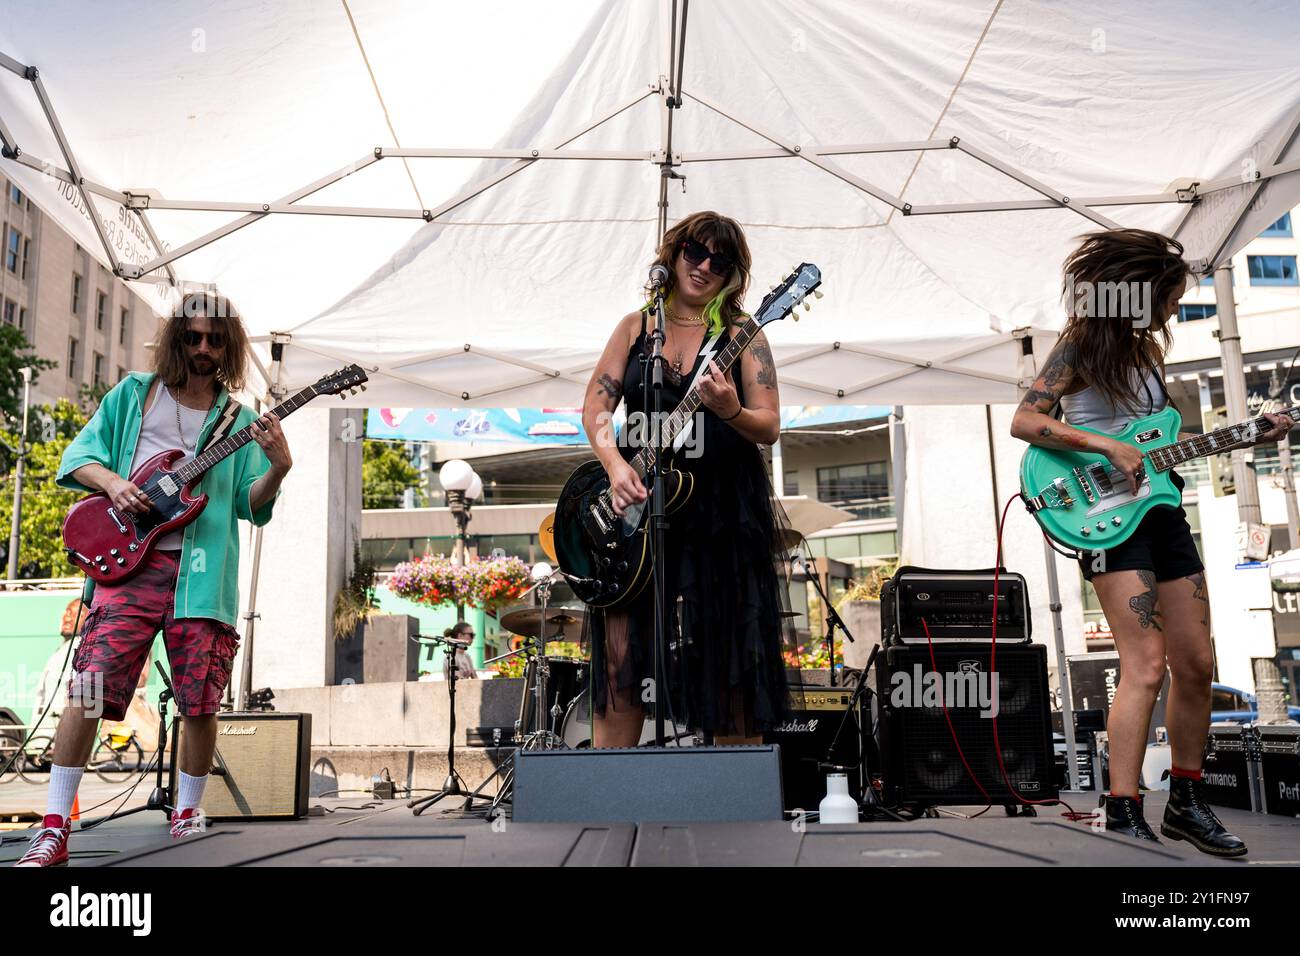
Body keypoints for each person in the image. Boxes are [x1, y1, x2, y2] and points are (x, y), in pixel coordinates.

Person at [1011, 228, 1291, 856]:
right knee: (1142, 665)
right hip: (1100, 513)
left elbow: (1162, 444)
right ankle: (1123, 805)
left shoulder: (1146, 358)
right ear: (1134, 293)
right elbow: (1026, 421)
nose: (1171, 309)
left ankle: (1186, 801)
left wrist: (1251, 433)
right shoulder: (1081, 345)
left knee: (1195, 663)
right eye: (1167, 296)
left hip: (1160, 511)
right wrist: (1108, 445)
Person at [15, 291, 291, 867]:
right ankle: (53, 827)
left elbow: (248, 502)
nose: (204, 348)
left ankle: (188, 816)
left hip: (201, 574)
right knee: (87, 691)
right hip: (126, 570)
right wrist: (115, 485)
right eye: (192, 337)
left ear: (230, 345)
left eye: (215, 340)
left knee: (200, 700)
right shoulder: (134, 396)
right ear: (175, 339)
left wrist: (280, 469)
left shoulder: (236, 420)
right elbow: (77, 459)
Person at [580, 210, 793, 748]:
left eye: (718, 262)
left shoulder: (743, 334)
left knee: (729, 656)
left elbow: (768, 425)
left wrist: (728, 410)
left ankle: (733, 802)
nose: (702, 267)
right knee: (620, 658)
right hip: (635, 508)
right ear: (673, 254)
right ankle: (613, 801)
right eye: (694, 253)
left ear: (732, 274)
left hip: (720, 507)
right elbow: (596, 406)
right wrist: (614, 465)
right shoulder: (637, 326)